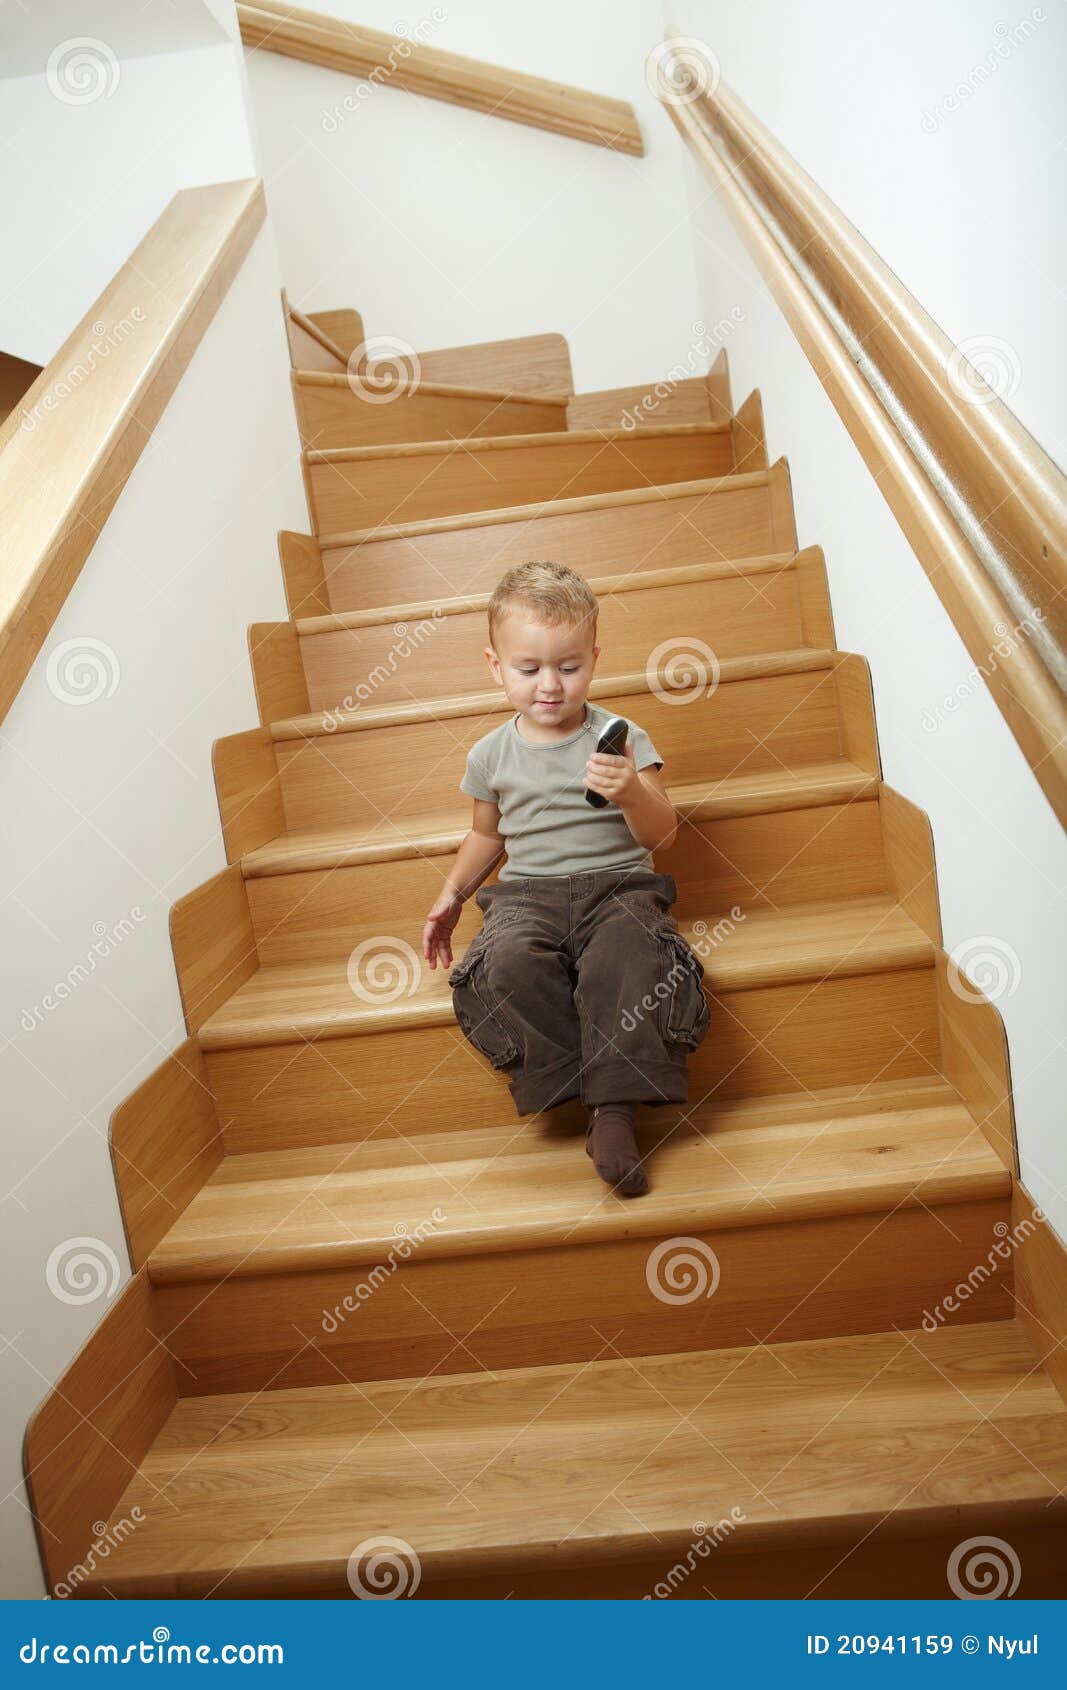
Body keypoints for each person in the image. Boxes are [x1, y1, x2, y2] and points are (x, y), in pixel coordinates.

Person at [421, 560, 711, 1198]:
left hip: (619, 888)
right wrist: (452, 894)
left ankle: (613, 1114)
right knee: (505, 964)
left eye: (570, 666)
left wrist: (633, 791)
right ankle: (576, 1081)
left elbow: (661, 835)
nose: (550, 686)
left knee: (629, 956)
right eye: (529, 670)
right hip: (527, 896)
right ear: (495, 666)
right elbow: (487, 835)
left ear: (594, 658)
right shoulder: (490, 754)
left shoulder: (623, 737)